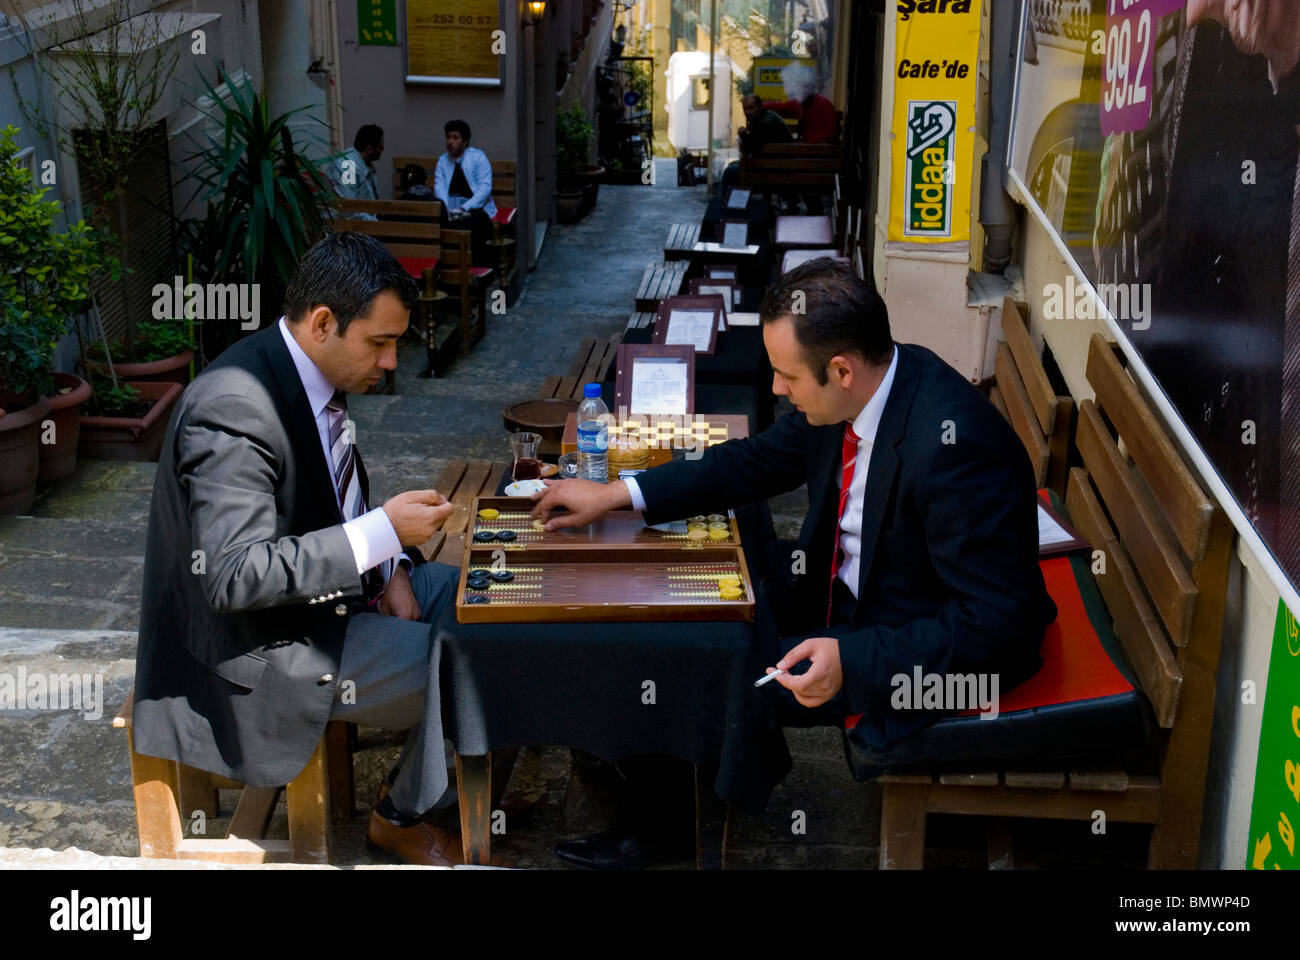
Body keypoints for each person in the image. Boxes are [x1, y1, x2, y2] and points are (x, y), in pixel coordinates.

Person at [530, 258, 1057, 868]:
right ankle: (634, 758)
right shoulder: (865, 382)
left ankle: (665, 833)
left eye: (785, 376)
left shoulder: (955, 449)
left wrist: (852, 661)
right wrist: (623, 494)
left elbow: (1003, 627)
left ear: (840, 370)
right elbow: (752, 462)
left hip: (900, 633)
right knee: (677, 588)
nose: (776, 389)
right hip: (836, 581)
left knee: (694, 669)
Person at [132, 232, 512, 867]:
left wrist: (389, 566)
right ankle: (404, 814)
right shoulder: (234, 406)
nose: (391, 363)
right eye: (380, 343)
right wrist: (382, 535)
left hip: (329, 600)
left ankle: (456, 777)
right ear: (322, 322)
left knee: (499, 606)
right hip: (263, 644)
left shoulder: (309, 373)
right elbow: (232, 575)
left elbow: (335, 491)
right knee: (484, 667)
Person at [433, 119, 496, 264]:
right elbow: (439, 187)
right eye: (448, 137)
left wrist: (464, 208)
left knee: (475, 225)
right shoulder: (443, 161)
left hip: (476, 210)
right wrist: (448, 209)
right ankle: (450, 269)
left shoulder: (478, 157)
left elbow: (485, 188)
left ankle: (475, 270)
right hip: (451, 212)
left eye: (455, 138)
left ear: (465, 141)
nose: (450, 142)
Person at [719, 94, 794, 196]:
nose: (747, 112)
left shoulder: (765, 122)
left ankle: (731, 207)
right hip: (777, 167)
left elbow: (754, 147)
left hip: (773, 172)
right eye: (744, 109)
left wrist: (742, 133)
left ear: (760, 107)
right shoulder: (766, 117)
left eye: (750, 108)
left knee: (730, 173)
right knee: (733, 167)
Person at [331, 124, 384, 219]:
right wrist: (379, 224)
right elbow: (350, 209)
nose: (382, 150)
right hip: (355, 226)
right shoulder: (348, 166)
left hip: (368, 221)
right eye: (380, 147)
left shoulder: (366, 164)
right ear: (369, 149)